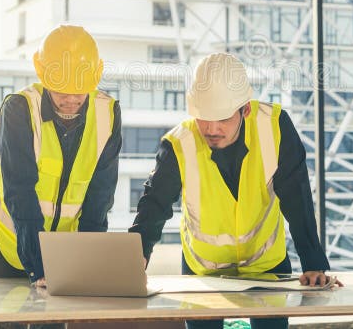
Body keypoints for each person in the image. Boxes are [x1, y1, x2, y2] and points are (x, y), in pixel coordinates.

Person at [129, 52, 340, 329]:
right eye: (204, 118)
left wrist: (313, 263)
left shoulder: (274, 127)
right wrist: (131, 265)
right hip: (203, 269)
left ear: (246, 109)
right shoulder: (179, 143)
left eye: (223, 118)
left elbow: (297, 197)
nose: (212, 128)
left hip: (266, 265)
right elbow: (153, 207)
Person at [0, 25, 121, 286]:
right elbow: (20, 190)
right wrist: (39, 267)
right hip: (8, 241)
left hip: (63, 251)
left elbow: (99, 198)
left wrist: (87, 262)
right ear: (44, 78)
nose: (70, 99)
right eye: (60, 90)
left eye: (79, 90)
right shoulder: (20, 109)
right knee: (7, 322)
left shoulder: (108, 114)